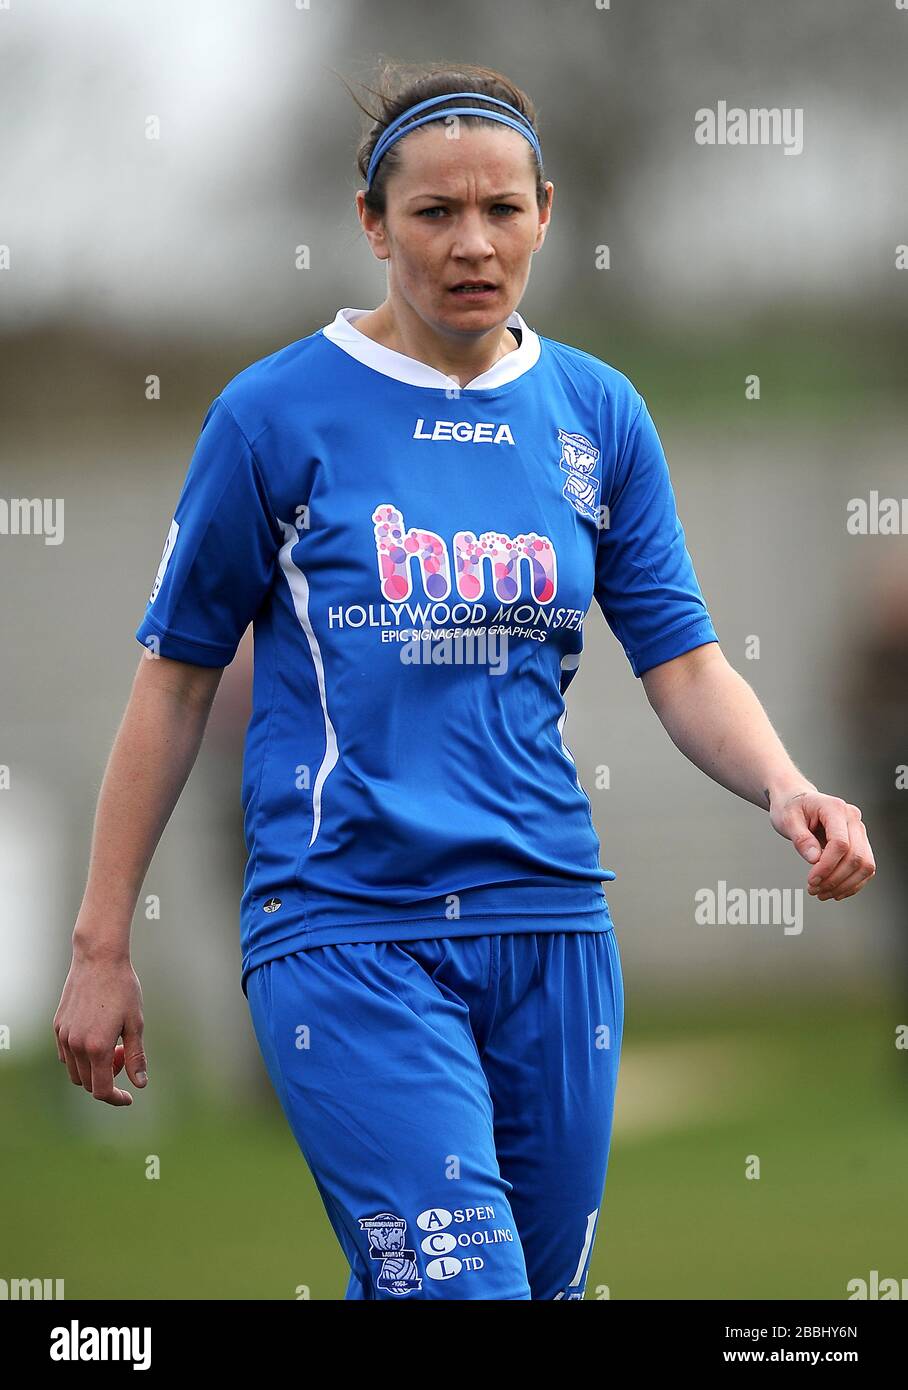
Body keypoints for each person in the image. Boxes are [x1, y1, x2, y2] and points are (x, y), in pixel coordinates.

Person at [53, 62, 877, 1301]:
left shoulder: (597, 415)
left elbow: (684, 660)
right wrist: (100, 941)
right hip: (345, 929)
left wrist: (783, 785)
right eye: (434, 213)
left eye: (500, 208)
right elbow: (171, 687)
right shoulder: (272, 416)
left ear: (546, 211)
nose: (471, 243)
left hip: (550, 927)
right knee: (462, 1289)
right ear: (371, 224)